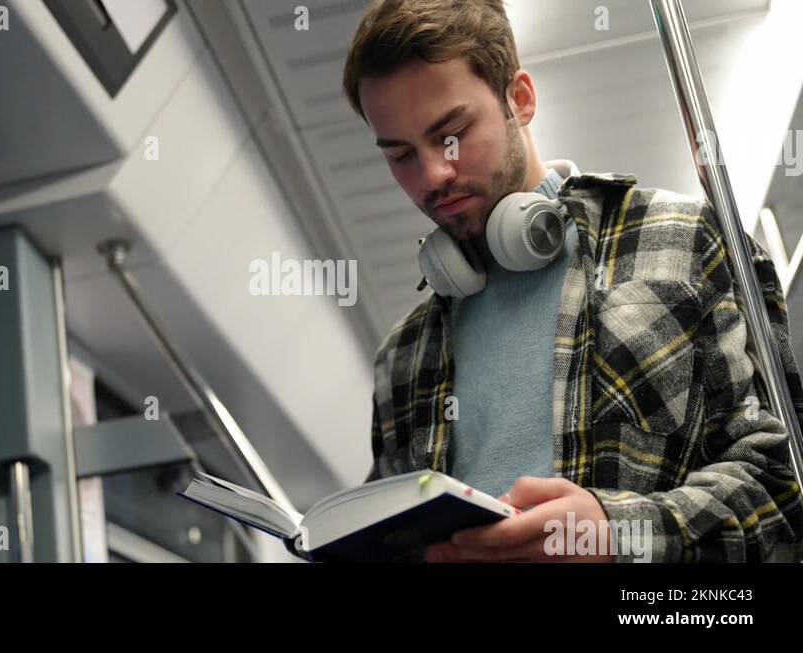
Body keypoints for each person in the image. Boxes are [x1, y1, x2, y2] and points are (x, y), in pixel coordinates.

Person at [342, 0, 803, 562]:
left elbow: (783, 485)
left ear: (520, 98)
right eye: (400, 155)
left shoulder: (685, 243)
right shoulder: (403, 357)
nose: (433, 174)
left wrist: (617, 531)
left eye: (452, 134)